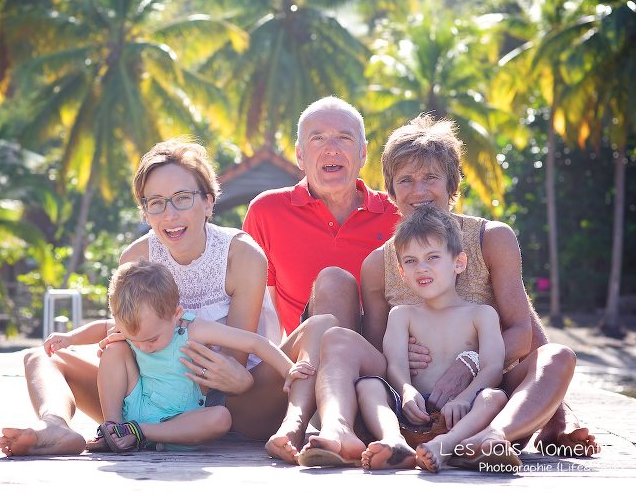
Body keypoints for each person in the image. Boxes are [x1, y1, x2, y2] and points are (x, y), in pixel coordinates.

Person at [0, 137, 337, 458]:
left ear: (208, 202)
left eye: (182, 198)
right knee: (41, 357)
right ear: (145, 212)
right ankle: (56, 426)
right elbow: (124, 335)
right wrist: (111, 345)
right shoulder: (136, 258)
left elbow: (236, 360)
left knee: (320, 326)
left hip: (237, 399)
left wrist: (243, 380)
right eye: (156, 203)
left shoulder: (241, 254)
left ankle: (291, 429)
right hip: (153, 398)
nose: (169, 214)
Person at [301, 114, 599, 467]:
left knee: (557, 356)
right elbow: (377, 350)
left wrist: (470, 362)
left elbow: (522, 332)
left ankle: (491, 438)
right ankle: (359, 432)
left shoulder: (491, 238)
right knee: (342, 342)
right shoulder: (378, 263)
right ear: (391, 192)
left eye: (430, 177)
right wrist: (403, 366)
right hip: (409, 402)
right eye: (405, 180)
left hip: (484, 393)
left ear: (451, 184)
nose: (419, 191)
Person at [43, 260, 314, 452]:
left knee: (220, 417)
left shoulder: (193, 329)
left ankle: (139, 433)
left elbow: (254, 343)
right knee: (114, 349)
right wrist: (71, 338)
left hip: (181, 420)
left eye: (152, 339)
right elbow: (102, 327)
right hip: (137, 404)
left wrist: (287, 369)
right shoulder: (133, 327)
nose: (143, 347)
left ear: (176, 314)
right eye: (135, 338)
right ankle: (113, 428)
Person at [354, 204, 514, 472]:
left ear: (459, 263)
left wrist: (465, 397)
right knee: (368, 386)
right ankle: (393, 440)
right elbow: (395, 364)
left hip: (461, 413)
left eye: (433, 257)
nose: (421, 268)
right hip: (411, 411)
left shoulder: (481, 314)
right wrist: (406, 390)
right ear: (402, 273)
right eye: (411, 261)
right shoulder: (402, 315)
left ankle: (445, 444)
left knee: (494, 397)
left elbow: (493, 367)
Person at [243, 96, 400, 336]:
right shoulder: (266, 212)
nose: (331, 149)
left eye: (344, 138)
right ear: (300, 155)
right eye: (318, 138)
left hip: (382, 353)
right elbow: (263, 318)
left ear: (363, 153)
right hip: (306, 354)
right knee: (333, 282)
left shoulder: (398, 213)